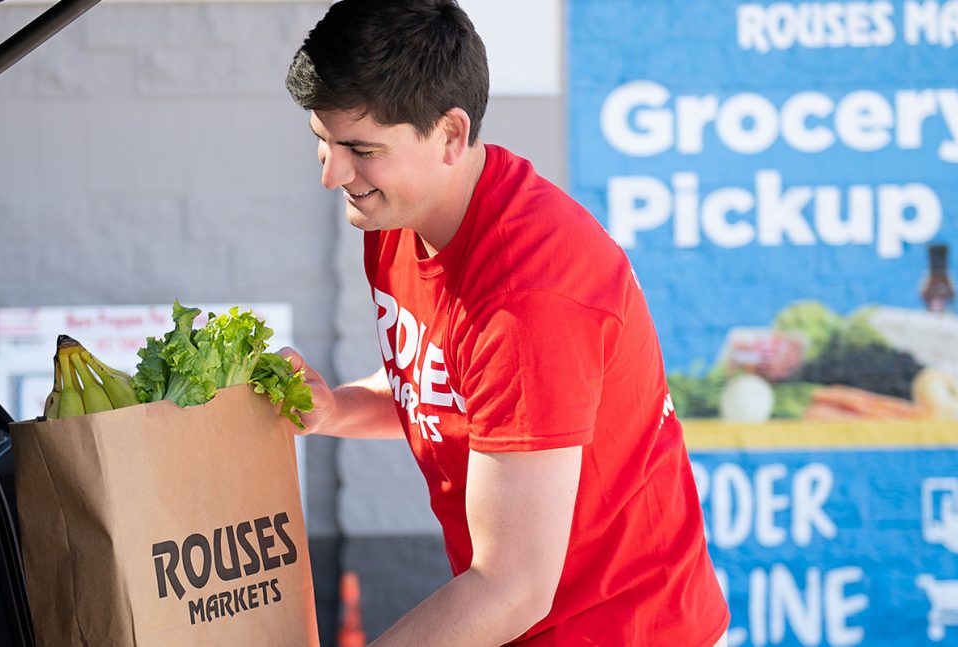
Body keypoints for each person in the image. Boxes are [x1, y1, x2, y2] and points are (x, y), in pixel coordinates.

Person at [279, 1, 728, 644]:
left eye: (360, 149)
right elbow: (448, 377)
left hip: (619, 629)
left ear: (451, 135)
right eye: (322, 143)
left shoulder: (530, 300)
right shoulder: (405, 211)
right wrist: (336, 409)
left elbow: (510, 587)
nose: (332, 174)